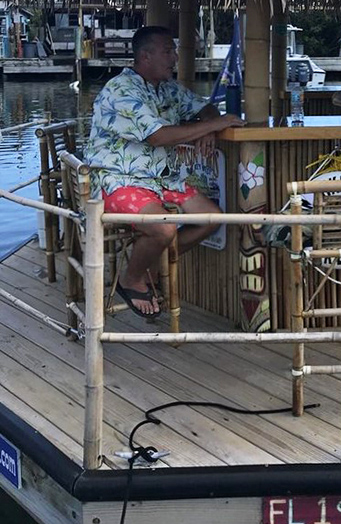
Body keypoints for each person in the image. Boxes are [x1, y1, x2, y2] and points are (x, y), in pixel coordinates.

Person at [85, 26, 244, 317]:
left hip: (163, 177)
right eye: (168, 51)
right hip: (118, 179)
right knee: (164, 227)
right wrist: (211, 127)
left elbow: (205, 108)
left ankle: (151, 268)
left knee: (212, 218)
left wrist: (210, 125)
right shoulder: (122, 91)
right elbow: (157, 136)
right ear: (145, 56)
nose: (174, 57)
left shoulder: (167, 88)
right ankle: (131, 277)